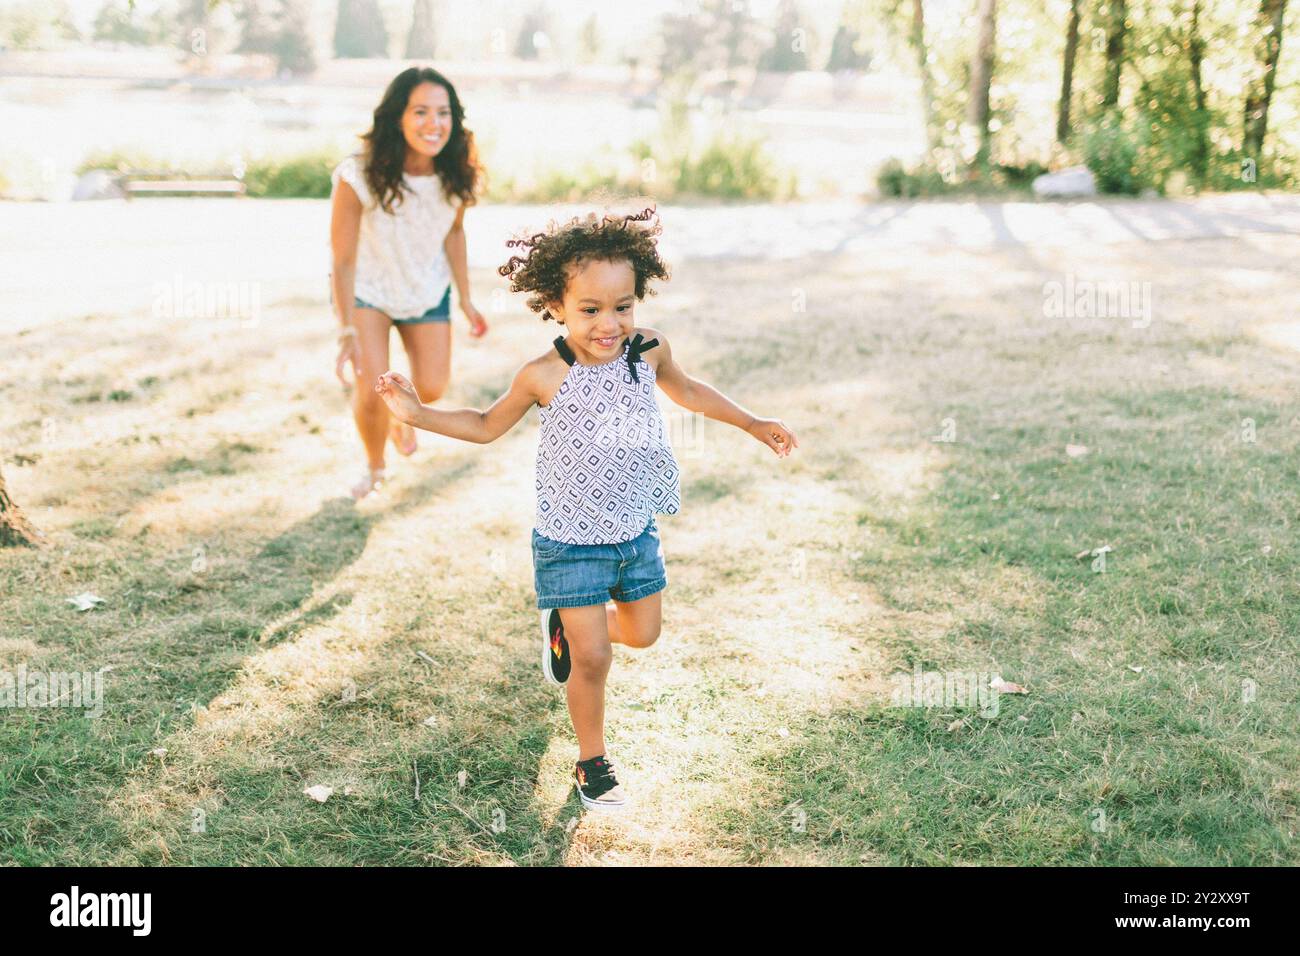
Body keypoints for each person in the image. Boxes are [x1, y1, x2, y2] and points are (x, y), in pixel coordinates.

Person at [374, 207, 798, 810]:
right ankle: (592, 763)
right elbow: (486, 424)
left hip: (634, 530)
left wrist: (752, 421)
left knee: (643, 635)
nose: (609, 323)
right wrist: (418, 415)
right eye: (590, 310)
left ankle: (568, 634)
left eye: (622, 306)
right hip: (568, 540)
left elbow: (691, 390)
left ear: (637, 299)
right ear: (555, 305)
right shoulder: (543, 374)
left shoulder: (648, 350)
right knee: (594, 658)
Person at [330, 67, 488, 500]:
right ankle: (376, 467)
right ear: (398, 116)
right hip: (369, 292)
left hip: (426, 290)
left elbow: (453, 233)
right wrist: (346, 328)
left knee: (432, 387)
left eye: (443, 113)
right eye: (420, 111)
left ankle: (402, 419)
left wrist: (467, 300)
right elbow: (342, 258)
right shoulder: (357, 175)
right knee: (370, 387)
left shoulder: (457, 173)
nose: (433, 124)